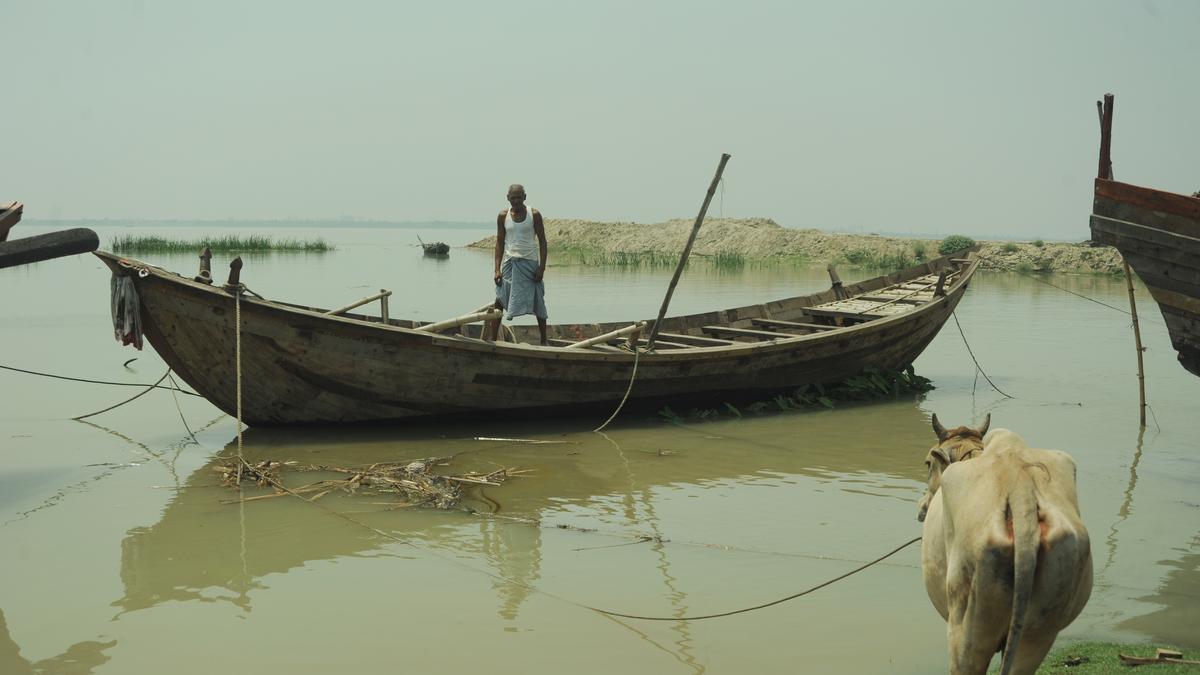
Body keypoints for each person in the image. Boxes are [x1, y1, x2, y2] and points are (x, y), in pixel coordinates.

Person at [487, 184, 549, 345]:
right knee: (500, 299)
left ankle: (544, 340)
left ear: (525, 197)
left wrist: (541, 268)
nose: (516, 200)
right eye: (513, 197)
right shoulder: (503, 216)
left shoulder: (534, 214)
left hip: (529, 264)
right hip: (510, 264)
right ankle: (493, 338)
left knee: (538, 300)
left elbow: (543, 242)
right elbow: (499, 242)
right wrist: (496, 270)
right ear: (507, 198)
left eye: (519, 197)